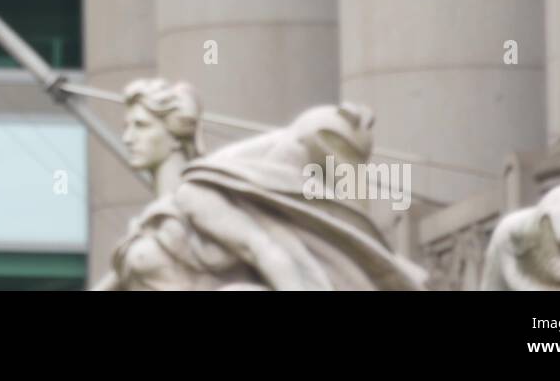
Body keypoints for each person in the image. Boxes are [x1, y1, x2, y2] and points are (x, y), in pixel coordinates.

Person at [94, 92, 426, 291]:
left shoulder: (195, 196)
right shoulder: (144, 229)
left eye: (140, 126)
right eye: (126, 127)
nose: (127, 138)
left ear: (175, 131)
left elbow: (262, 248)